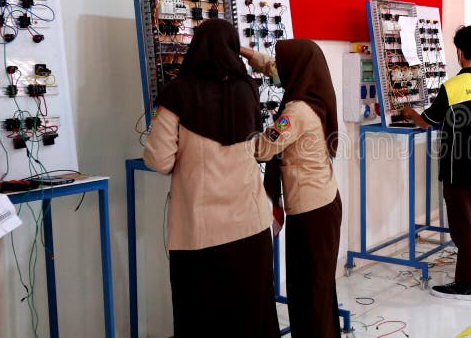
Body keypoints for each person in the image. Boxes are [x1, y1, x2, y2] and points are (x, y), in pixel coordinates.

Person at [143, 19, 279, 337]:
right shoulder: (248, 90)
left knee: (204, 319)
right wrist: (240, 50)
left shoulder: (178, 93)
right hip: (252, 226)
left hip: (202, 234)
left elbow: (159, 159)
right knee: (251, 316)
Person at [250, 39, 342, 337]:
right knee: (320, 285)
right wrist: (250, 55)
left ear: (296, 69)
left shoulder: (296, 112)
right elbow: (276, 71)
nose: (277, 68)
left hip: (311, 212)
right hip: (323, 202)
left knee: (308, 289)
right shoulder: (313, 93)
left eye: (282, 63)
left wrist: (232, 137)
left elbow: (264, 148)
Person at [402, 26, 471, 300]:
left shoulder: (452, 87)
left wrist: (409, 111)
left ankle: (464, 284)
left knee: (461, 225)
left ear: (459, 52)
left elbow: (426, 121)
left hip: (456, 166)